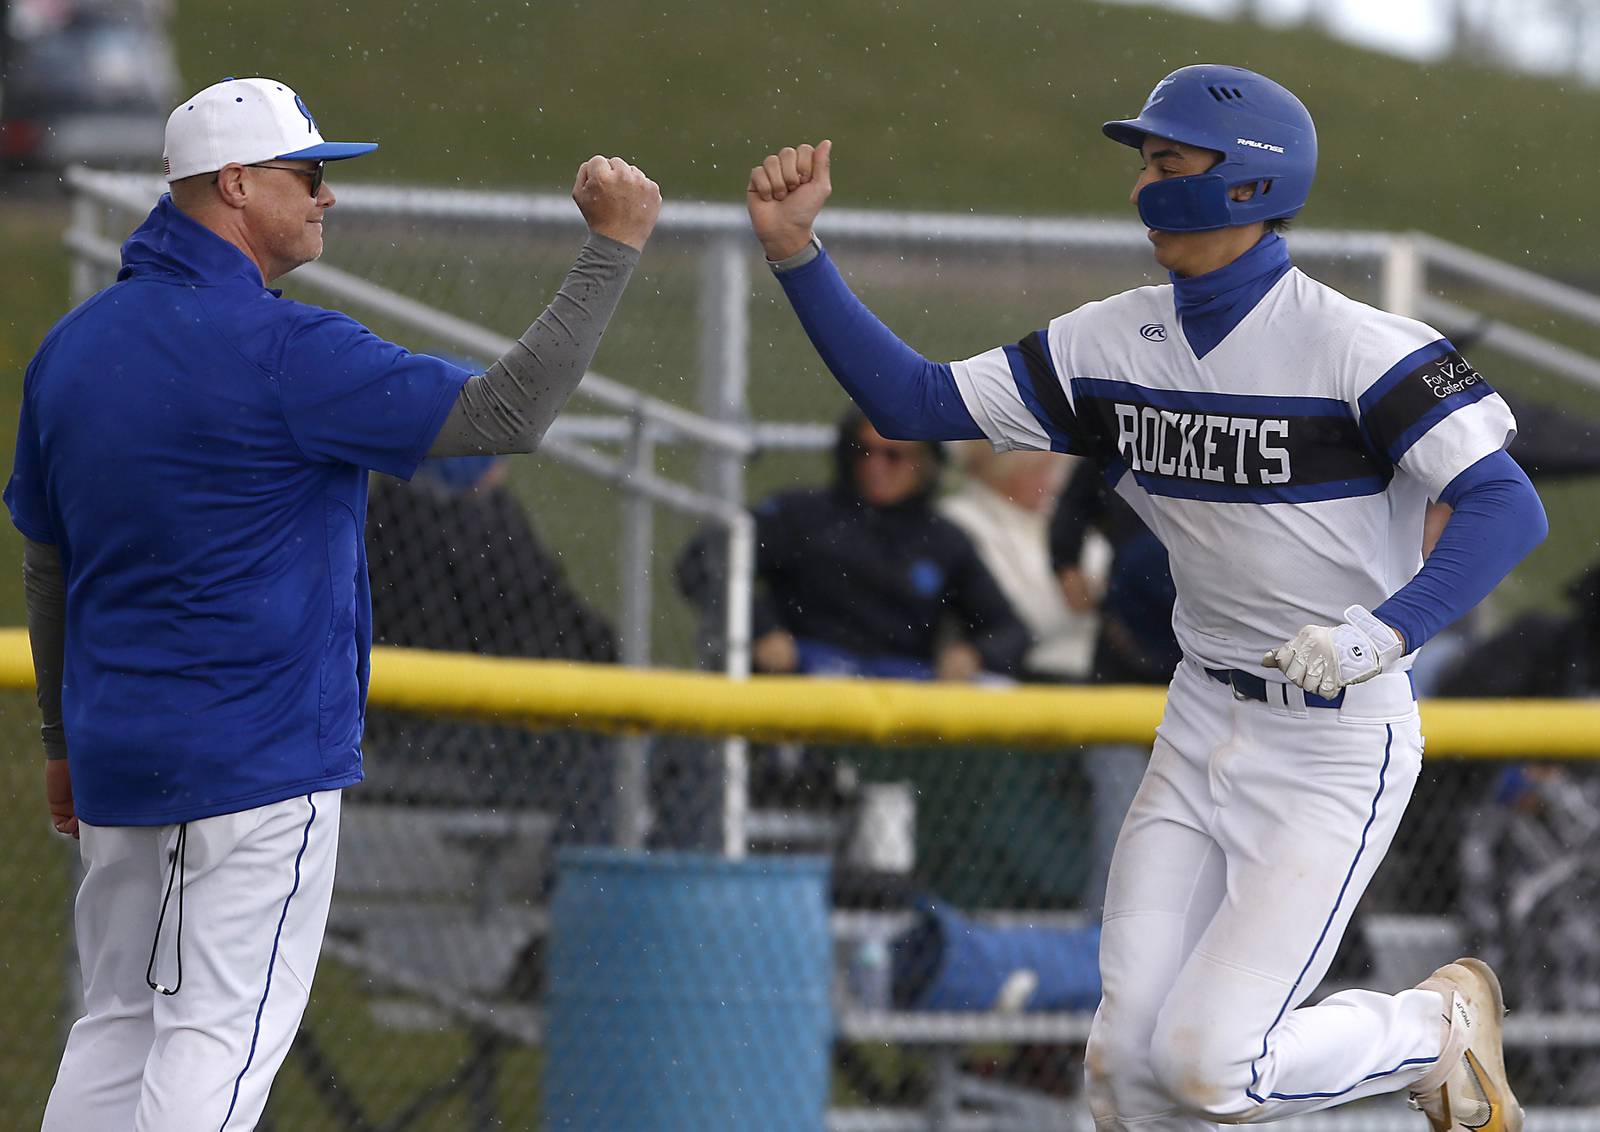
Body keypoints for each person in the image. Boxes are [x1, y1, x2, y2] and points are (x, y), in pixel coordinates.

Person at [746, 64, 1545, 1129]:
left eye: (1169, 163)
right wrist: (796, 254)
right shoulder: (1108, 340)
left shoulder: (1360, 345)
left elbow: (1506, 506)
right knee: (1125, 1069)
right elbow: (914, 399)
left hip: (1333, 741)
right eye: (1145, 165)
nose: (1142, 187)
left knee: (1212, 1067)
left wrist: (1382, 632)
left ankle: (1432, 1033)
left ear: (1250, 182)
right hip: (1201, 714)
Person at [8, 76, 660, 1129]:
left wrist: (58, 738)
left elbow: (47, 562)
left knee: (117, 1024)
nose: (327, 196)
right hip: (256, 762)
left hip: (118, 753)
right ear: (234, 184)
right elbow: (508, 413)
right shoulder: (288, 351)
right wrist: (612, 249)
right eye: (308, 175)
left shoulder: (72, 348)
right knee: (215, 1038)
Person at [678, 407, 1031, 682]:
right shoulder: (800, 514)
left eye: (893, 456)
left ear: (926, 465)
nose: (875, 467)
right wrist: (761, 629)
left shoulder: (945, 540)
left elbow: (1009, 630)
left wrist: (973, 655)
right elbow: (702, 562)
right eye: (863, 451)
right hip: (798, 688)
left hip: (897, 702)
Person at [939, 444, 1101, 682]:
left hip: (1090, 669)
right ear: (1000, 471)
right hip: (1017, 676)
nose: (1051, 481)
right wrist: (1084, 595)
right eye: (1037, 470)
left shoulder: (1059, 517)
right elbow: (1019, 615)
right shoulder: (961, 520)